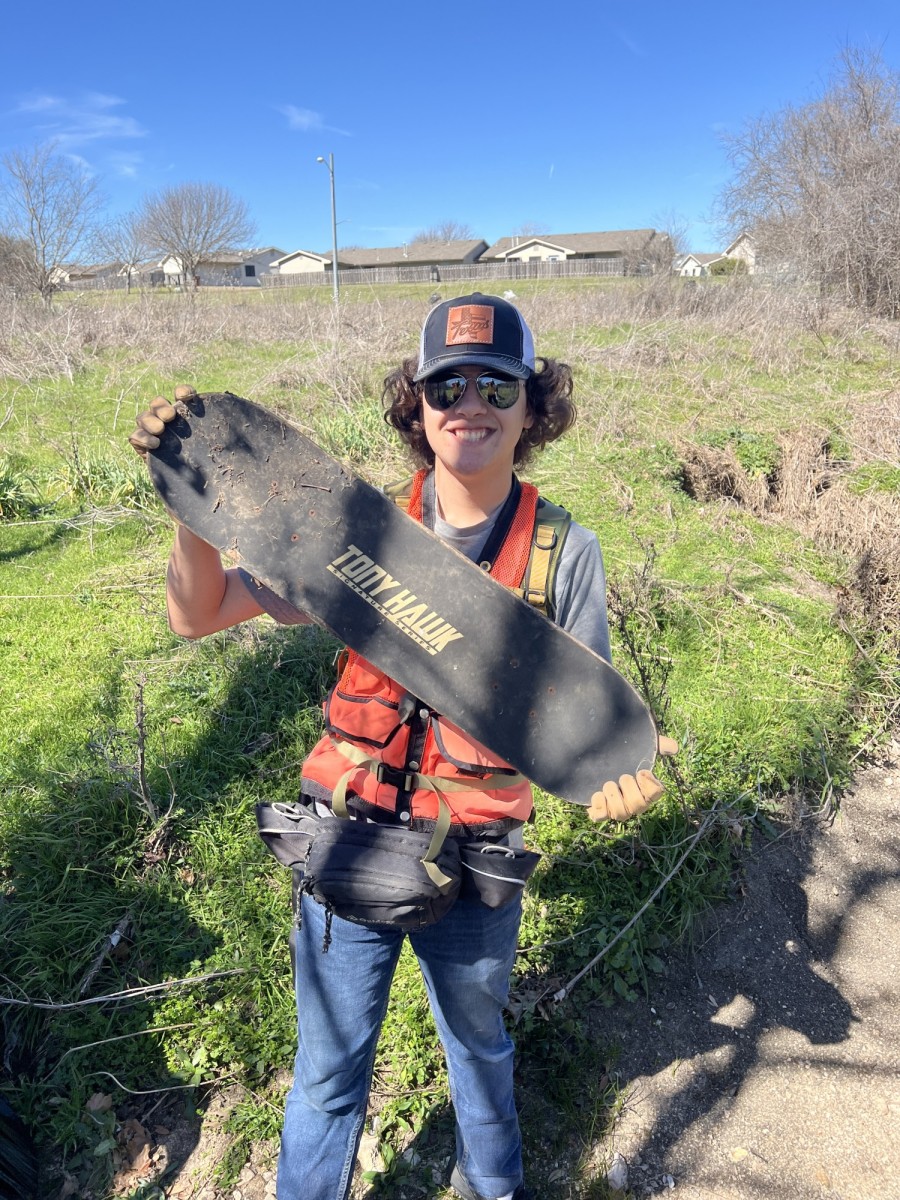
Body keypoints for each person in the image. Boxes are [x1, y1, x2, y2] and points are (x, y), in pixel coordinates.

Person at [130, 293, 675, 1200]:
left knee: (478, 1051)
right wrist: (200, 506)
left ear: (533, 407)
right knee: (330, 1070)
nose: (471, 404)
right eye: (447, 385)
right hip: (348, 836)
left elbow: (590, 725)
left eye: (497, 387)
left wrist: (620, 784)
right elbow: (199, 615)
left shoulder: (562, 551)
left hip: (474, 861)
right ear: (416, 407)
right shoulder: (356, 535)